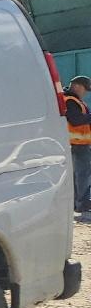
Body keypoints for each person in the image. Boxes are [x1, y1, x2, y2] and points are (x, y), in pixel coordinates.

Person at [64, 76, 91, 214]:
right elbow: (75, 120)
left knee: (77, 175)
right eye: (85, 89)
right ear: (77, 86)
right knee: (83, 175)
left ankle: (77, 203)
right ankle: (83, 204)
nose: (85, 92)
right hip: (78, 144)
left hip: (76, 144)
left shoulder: (74, 101)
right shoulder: (70, 101)